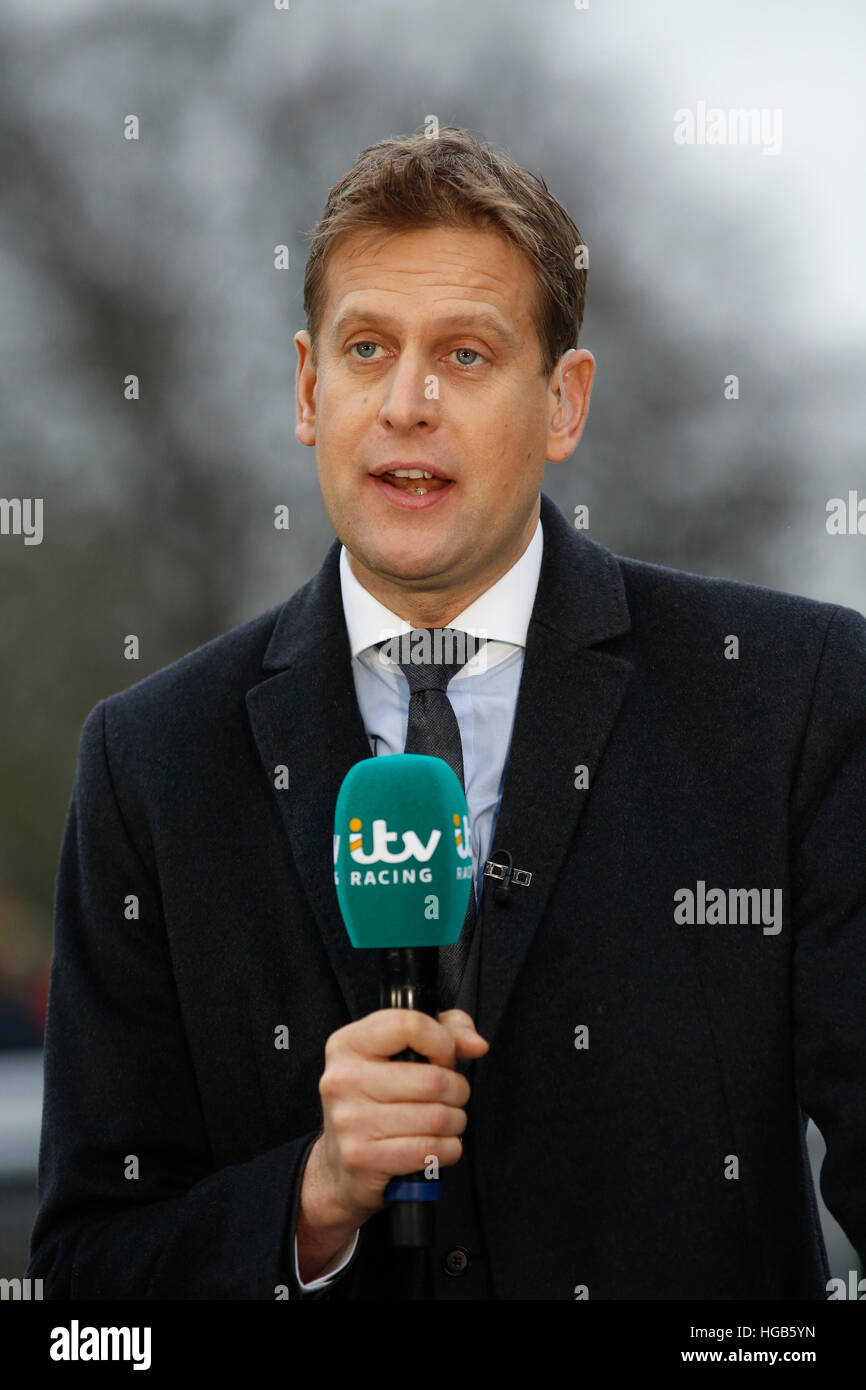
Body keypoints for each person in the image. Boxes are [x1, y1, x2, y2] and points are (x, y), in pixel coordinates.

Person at [27, 126, 866, 1300]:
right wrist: (312, 1200)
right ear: (312, 390)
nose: (407, 403)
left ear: (562, 403)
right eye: (368, 348)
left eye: (466, 355)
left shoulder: (793, 696)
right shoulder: (150, 762)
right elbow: (84, 1288)